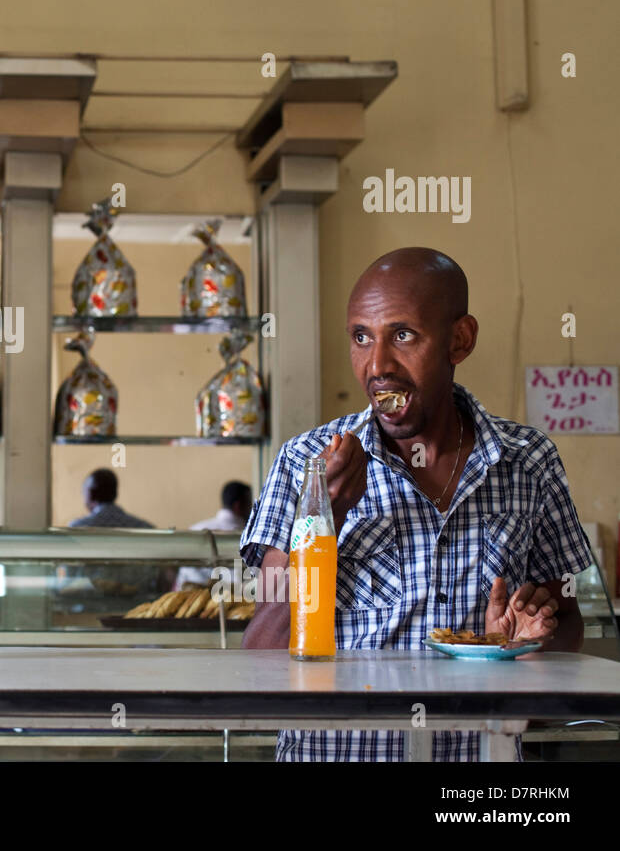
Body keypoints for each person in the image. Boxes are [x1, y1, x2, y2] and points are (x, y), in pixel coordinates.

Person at [240, 247, 590, 762]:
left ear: (460, 339)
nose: (377, 365)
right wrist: (326, 515)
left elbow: (567, 619)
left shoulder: (528, 461)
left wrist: (520, 648)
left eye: (402, 335)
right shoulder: (305, 463)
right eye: (361, 337)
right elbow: (262, 657)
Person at [174, 481, 253, 587]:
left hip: (188, 591)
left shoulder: (196, 528)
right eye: (249, 504)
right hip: (227, 597)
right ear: (238, 506)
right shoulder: (244, 535)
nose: (252, 509)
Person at [68, 468, 154, 528]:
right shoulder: (144, 528)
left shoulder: (77, 528)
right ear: (115, 493)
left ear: (91, 494)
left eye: (84, 492)